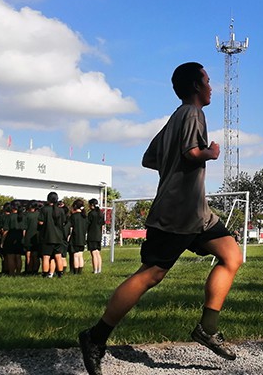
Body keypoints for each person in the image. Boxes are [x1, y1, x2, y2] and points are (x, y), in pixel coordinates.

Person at [79, 62, 243, 375]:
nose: (211, 86)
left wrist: (173, 170)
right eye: (207, 81)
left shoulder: (173, 119)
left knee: (231, 256)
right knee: (151, 274)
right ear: (196, 86)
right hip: (178, 211)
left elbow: (148, 158)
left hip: (199, 212)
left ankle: (207, 328)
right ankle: (95, 337)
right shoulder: (194, 113)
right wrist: (211, 153)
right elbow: (191, 153)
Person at [38, 192, 67, 278]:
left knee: (46, 257)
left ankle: (45, 274)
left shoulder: (44, 209)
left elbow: (41, 222)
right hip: (58, 236)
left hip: (47, 236)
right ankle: (60, 273)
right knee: (58, 256)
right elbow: (64, 222)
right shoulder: (61, 210)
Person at [69, 199, 88, 274]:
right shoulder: (85, 217)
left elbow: (70, 227)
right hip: (82, 238)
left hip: (75, 238)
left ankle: (76, 272)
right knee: (81, 255)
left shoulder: (73, 216)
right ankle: (80, 271)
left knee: (75, 255)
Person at [86, 199, 105, 274]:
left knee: (93, 253)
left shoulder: (91, 214)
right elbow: (103, 225)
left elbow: (88, 224)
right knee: (98, 253)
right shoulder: (101, 213)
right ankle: (99, 269)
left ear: (92, 205)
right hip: (98, 235)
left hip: (92, 235)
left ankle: (95, 270)